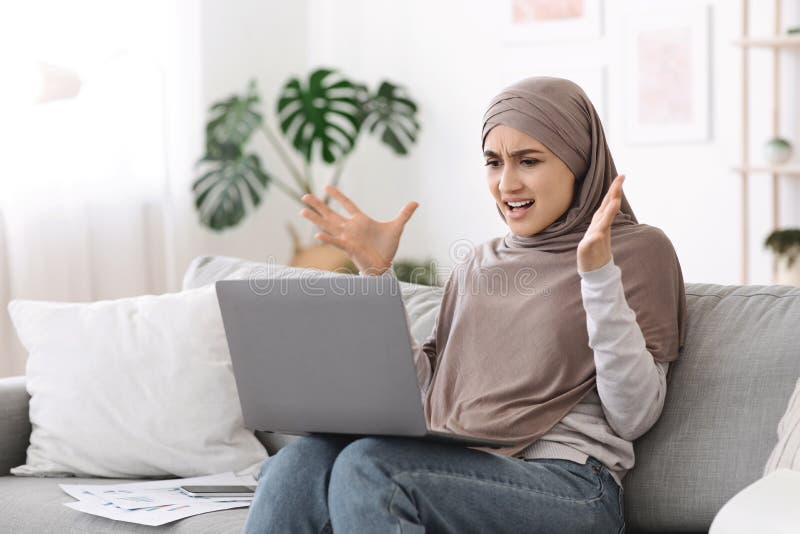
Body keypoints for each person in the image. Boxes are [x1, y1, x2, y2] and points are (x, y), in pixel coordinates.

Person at [242, 76, 687, 534]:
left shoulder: (636, 251)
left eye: (528, 161)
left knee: (370, 467)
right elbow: (430, 394)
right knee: (297, 464)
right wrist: (377, 274)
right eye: (493, 163)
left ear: (578, 162)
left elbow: (633, 415)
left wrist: (596, 276)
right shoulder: (479, 262)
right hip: (459, 464)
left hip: (573, 484)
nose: (506, 183)